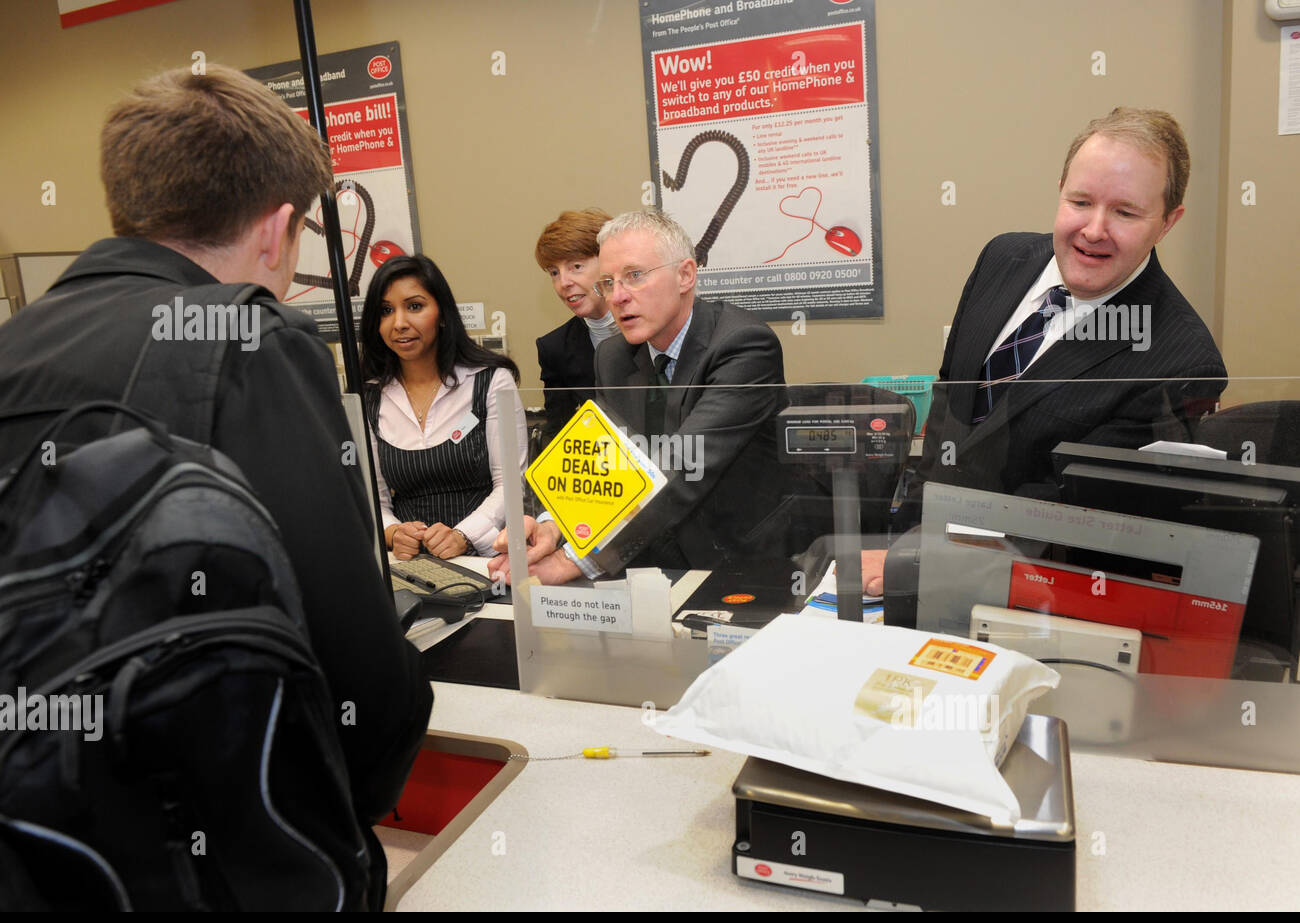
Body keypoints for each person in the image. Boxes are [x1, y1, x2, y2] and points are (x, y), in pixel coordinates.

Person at [0, 66, 432, 870]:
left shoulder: (15, 349)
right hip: (203, 854)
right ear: (277, 231)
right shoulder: (244, 341)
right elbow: (355, 683)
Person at [859, 107, 1228, 594]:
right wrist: (904, 539)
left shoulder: (1181, 358)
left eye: (1125, 212)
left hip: (1028, 591)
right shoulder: (1002, 257)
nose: (1094, 230)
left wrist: (924, 566)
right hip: (914, 554)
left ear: (1167, 222)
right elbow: (953, 410)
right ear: (1060, 189)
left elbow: (1074, 516)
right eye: (1080, 201)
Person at [489, 208, 786, 584]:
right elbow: (601, 464)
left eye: (634, 276)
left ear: (685, 275)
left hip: (737, 560)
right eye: (608, 283)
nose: (618, 296)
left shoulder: (744, 344)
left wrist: (576, 559)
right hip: (648, 559)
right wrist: (554, 526)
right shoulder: (613, 355)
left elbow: (681, 466)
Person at [359, 254, 527, 562]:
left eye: (414, 306)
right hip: (410, 567)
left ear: (442, 313)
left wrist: (463, 536)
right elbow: (373, 499)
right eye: (386, 311)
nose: (399, 323)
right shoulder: (368, 397)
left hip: (487, 559)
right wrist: (394, 533)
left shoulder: (490, 381)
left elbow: (511, 486)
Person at [534, 208, 618, 441]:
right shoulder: (555, 348)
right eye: (554, 272)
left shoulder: (654, 328)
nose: (563, 283)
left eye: (576, 267)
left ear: (608, 263)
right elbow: (558, 433)